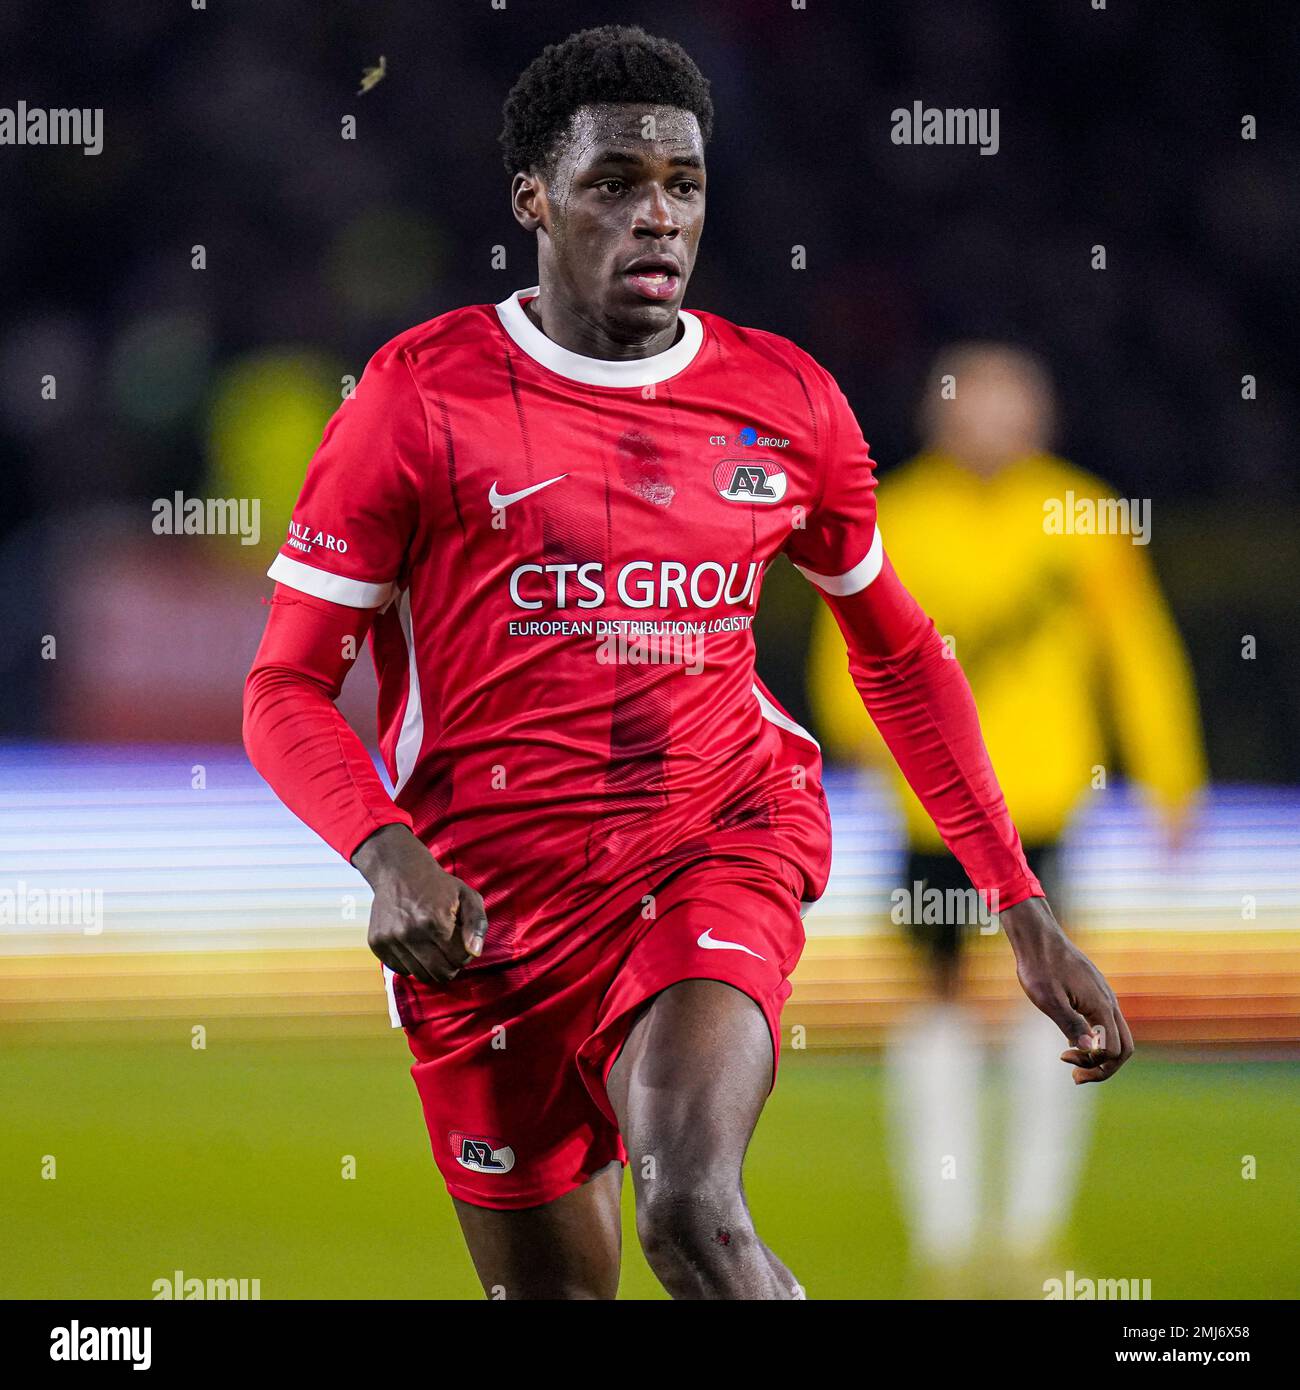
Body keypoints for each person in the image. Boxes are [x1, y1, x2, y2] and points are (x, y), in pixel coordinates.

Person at [243, 28, 1132, 1301]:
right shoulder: (416, 401)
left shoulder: (789, 404)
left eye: (684, 184)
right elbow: (283, 689)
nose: (657, 214)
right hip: (482, 914)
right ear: (533, 201)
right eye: (615, 183)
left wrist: (1016, 899)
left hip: (716, 840)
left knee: (690, 1208)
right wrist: (386, 851)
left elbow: (896, 652)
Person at [809, 343, 1203, 1287]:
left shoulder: (1084, 518)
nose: (992, 421)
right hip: (927, 813)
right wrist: (858, 742)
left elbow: (1137, 654)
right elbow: (844, 651)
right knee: (934, 1012)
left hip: (1044, 805)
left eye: (1010, 403)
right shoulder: (894, 514)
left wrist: (1171, 780)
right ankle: (945, 1230)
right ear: (938, 414)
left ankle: (1029, 1228)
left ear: (1042, 415)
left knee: (1058, 1013)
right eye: (974, 402)